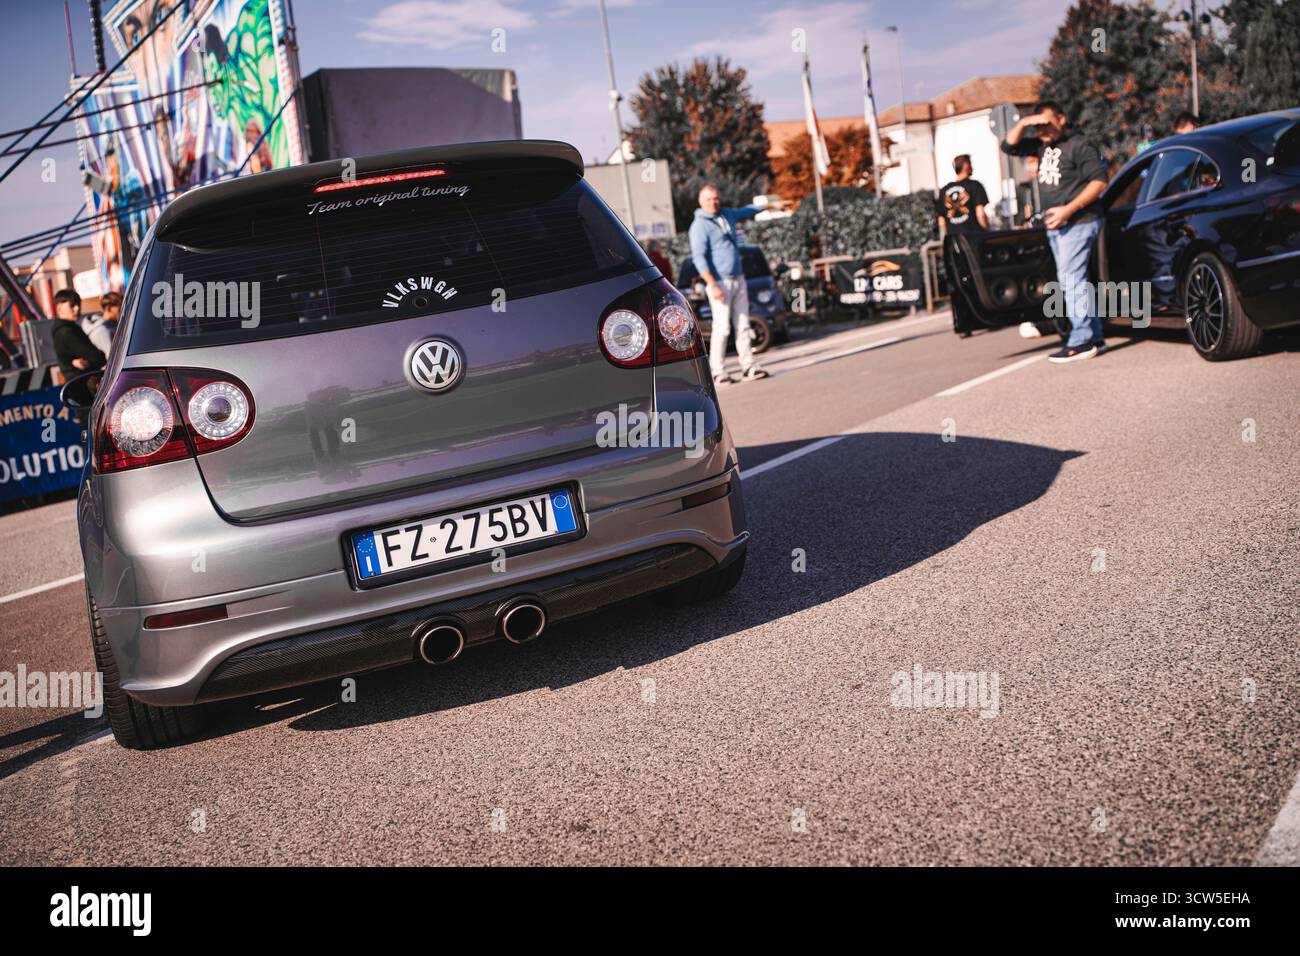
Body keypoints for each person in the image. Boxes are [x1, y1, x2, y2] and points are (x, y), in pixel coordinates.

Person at [1002, 101, 1110, 363]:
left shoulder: (1079, 144)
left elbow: (1099, 182)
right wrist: (1025, 123)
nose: (1043, 130)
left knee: (1071, 279)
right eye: (1038, 126)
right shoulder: (1042, 144)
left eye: (1047, 123)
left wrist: (1068, 210)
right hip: (1057, 225)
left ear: (1061, 118)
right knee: (1073, 281)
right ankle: (1093, 336)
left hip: (1078, 221)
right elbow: (1008, 146)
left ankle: (1081, 340)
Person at [688, 184, 768, 384]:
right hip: (719, 282)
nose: (713, 202)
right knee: (722, 327)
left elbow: (745, 211)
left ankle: (748, 365)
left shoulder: (726, 214)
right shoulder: (699, 226)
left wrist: (763, 207)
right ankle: (718, 371)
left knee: (742, 324)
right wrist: (712, 284)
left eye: (715, 198)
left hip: (738, 278)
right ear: (701, 202)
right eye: (708, 199)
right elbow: (699, 258)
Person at [51, 289, 106, 382]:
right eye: (72, 305)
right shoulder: (67, 332)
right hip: (83, 384)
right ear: (59, 309)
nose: (77, 308)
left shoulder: (60, 329)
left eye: (78, 304)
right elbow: (98, 358)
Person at [936, 155, 990, 236]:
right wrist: (986, 231)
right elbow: (980, 214)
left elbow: (942, 222)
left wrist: (950, 238)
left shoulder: (944, 191)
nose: (972, 166)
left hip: (955, 242)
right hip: (975, 238)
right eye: (970, 163)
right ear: (966, 165)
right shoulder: (975, 185)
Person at [82, 290, 120, 356]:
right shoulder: (103, 332)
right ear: (109, 308)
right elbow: (112, 359)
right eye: (120, 307)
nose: (123, 310)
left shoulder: (112, 325)